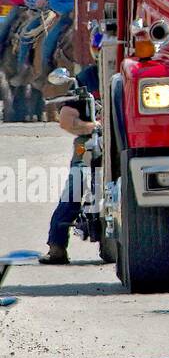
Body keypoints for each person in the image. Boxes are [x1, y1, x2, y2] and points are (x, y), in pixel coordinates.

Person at [39, 66, 100, 265]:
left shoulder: (141, 72)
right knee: (76, 185)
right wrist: (92, 127)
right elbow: (66, 120)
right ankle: (56, 246)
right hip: (92, 141)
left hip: (131, 142)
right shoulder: (86, 78)